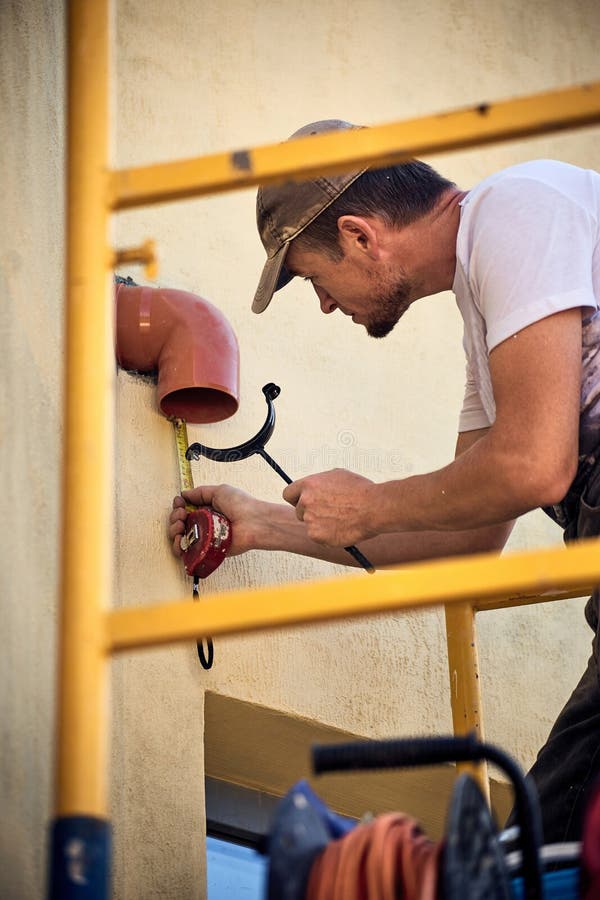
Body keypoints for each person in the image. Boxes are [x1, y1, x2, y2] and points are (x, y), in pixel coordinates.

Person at [169, 119, 600, 843]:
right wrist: (265, 525)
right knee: (546, 844)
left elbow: (535, 464)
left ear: (360, 235)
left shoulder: (517, 209)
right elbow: (464, 543)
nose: (327, 306)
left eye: (314, 279)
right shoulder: (487, 325)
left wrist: (370, 504)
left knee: (544, 849)